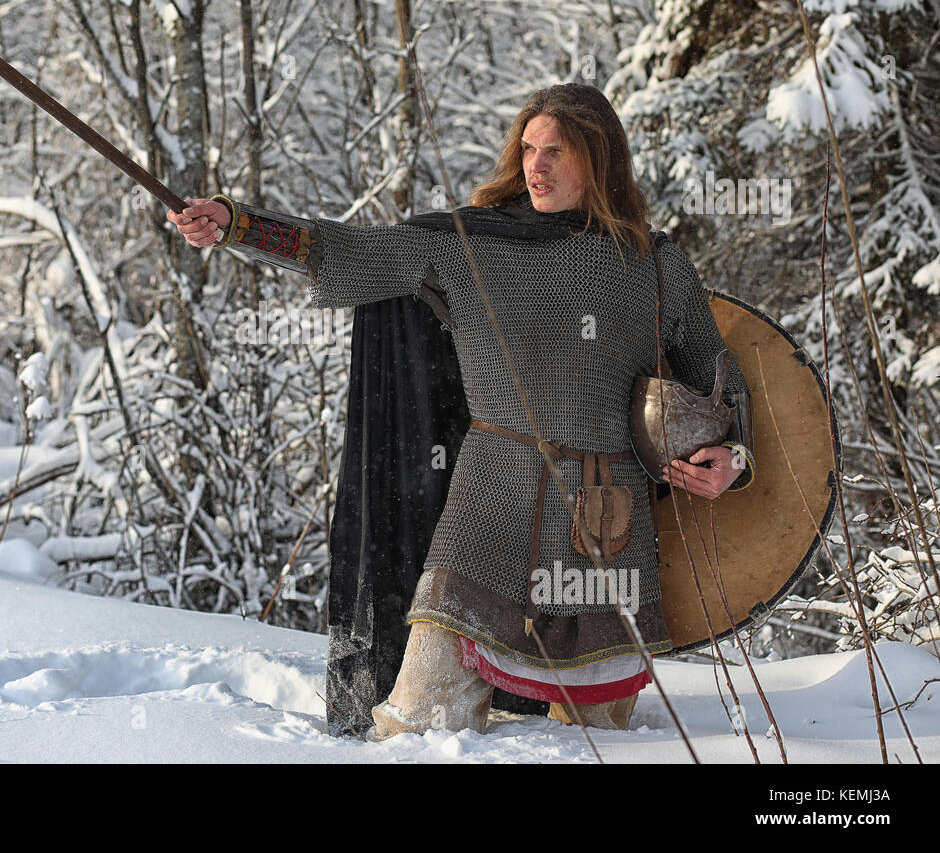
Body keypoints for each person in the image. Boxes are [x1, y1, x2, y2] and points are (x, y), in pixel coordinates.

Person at [166, 83, 754, 738]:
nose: (536, 166)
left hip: (605, 526)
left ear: (601, 158)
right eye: (527, 149)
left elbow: (718, 375)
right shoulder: (469, 243)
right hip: (490, 505)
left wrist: (734, 455)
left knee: (594, 740)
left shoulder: (656, 264)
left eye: (556, 151)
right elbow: (342, 250)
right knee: (419, 723)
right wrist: (237, 225)